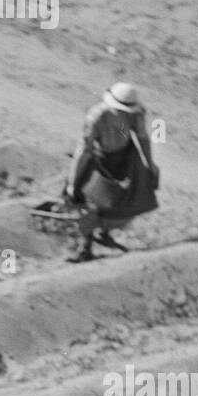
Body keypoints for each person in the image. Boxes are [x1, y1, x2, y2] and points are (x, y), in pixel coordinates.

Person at [63, 81, 159, 263]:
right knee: (86, 200)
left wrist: (150, 163)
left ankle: (104, 232)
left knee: (130, 198)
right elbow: (84, 150)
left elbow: (142, 137)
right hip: (99, 160)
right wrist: (72, 182)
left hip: (125, 157)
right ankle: (85, 247)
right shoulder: (97, 117)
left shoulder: (136, 115)